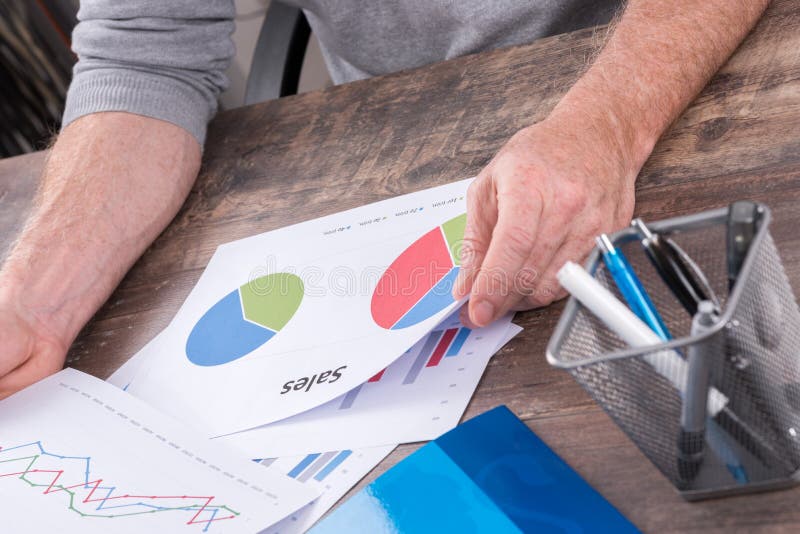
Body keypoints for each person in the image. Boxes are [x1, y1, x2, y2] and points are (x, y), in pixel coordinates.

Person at [0, 0, 769, 398]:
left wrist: (608, 123)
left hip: (690, 89)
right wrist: (31, 306)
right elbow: (144, 60)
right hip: (420, 165)